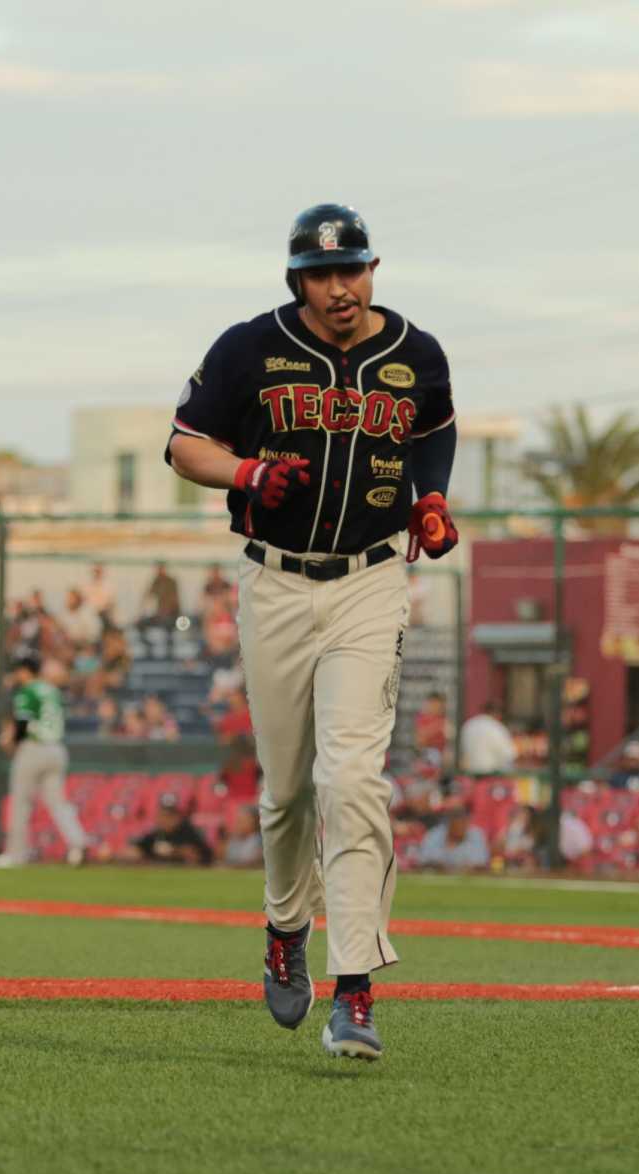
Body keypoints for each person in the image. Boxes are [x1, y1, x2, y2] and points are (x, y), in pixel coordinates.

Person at [167, 203, 457, 1059]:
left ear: (374, 271)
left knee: (354, 779)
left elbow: (432, 433)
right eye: (325, 273)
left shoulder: (415, 351)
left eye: (355, 269)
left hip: (370, 579)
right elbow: (185, 446)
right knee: (288, 788)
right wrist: (248, 469)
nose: (342, 287)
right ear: (298, 280)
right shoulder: (249, 348)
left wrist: (430, 501)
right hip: (276, 579)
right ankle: (285, 922)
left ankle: (356, 988)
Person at [0, 655, 88, 868]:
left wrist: (11, 742)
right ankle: (78, 842)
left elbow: (24, 722)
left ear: (25, 671)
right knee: (58, 802)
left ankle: (16, 854)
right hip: (57, 749)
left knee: (20, 802)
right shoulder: (51, 689)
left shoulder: (28, 690)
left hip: (34, 748)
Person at [124, 793, 215, 866]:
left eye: (165, 817)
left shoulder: (189, 832)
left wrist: (175, 851)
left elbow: (202, 856)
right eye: (159, 817)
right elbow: (137, 848)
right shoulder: (157, 833)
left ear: (176, 818)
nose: (160, 821)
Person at [416, 806, 489, 871]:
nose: (463, 828)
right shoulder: (434, 835)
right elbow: (423, 861)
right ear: (449, 824)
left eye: (465, 823)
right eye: (459, 824)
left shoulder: (476, 834)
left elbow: (481, 864)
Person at [458, 699, 517, 775]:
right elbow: (508, 754)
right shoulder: (496, 727)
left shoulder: (468, 724)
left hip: (469, 774)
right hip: (490, 775)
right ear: (497, 713)